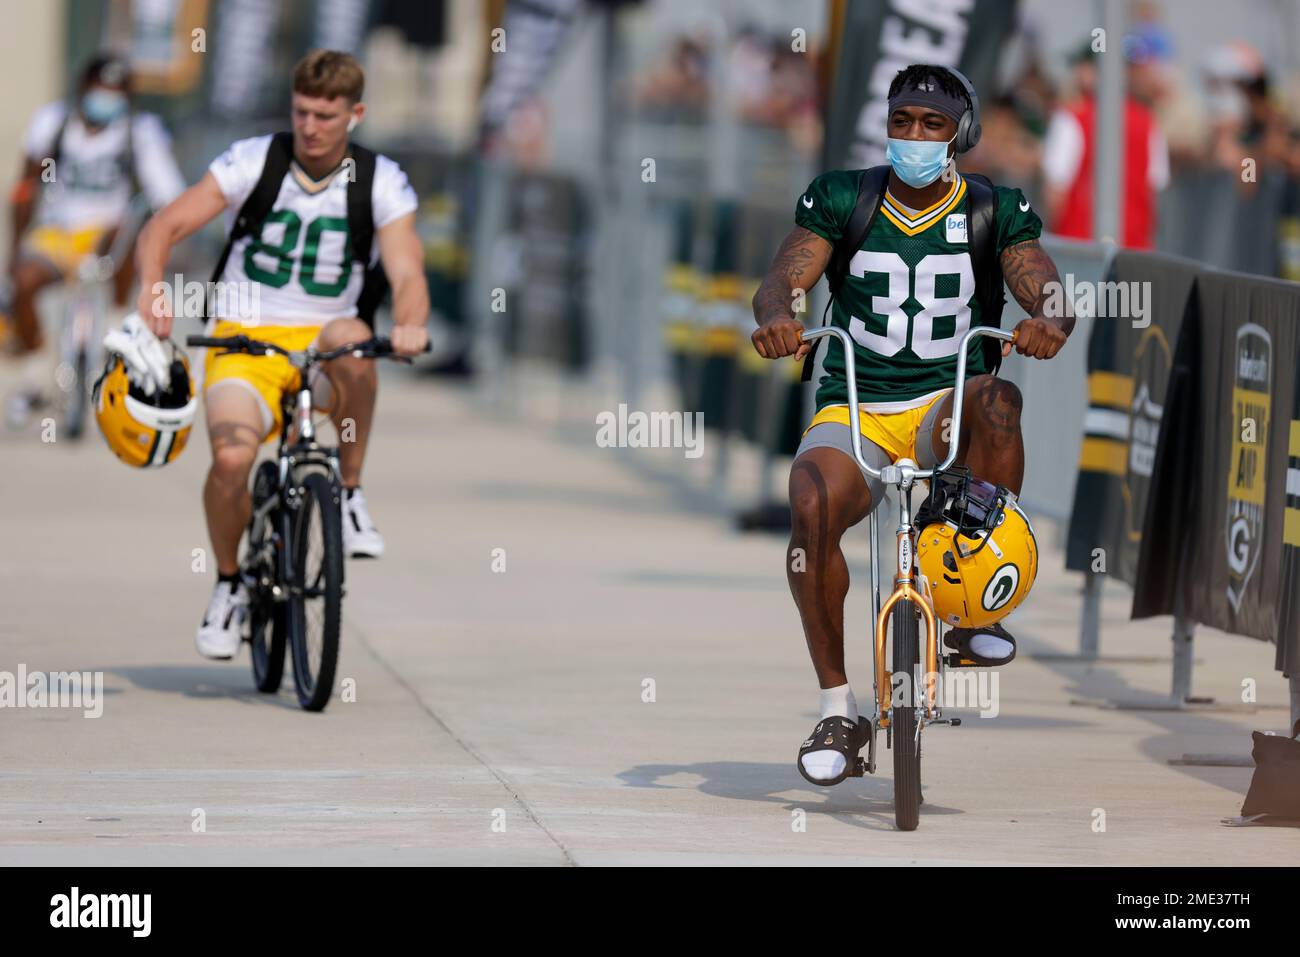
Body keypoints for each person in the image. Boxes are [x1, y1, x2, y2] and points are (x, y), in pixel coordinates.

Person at [750, 64, 1074, 786]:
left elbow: (1038, 277)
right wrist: (777, 316)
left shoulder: (993, 206)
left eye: (932, 124)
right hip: (856, 403)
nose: (915, 136)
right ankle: (838, 706)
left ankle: (970, 609)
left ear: (961, 132)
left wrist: (1050, 314)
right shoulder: (844, 195)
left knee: (997, 400)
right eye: (903, 122)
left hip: (943, 407)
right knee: (809, 504)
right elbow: (785, 277)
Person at [134, 50, 430, 659]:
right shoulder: (253, 161)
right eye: (302, 112)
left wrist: (411, 324)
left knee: (353, 338)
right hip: (244, 337)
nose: (312, 126)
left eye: (326, 114)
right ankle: (228, 585)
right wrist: (152, 286)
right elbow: (163, 225)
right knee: (232, 460)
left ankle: (348, 494)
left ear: (356, 113)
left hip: (321, 344)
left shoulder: (379, 180)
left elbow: (407, 268)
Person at [4, 54, 184, 415]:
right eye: (100, 89)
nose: (106, 98)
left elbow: (168, 194)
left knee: (129, 228)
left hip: (108, 233)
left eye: (115, 91)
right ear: (84, 88)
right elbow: (25, 187)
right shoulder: (53, 123)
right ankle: (35, 376)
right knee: (22, 283)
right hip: (59, 231)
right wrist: (13, 252)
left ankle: (117, 321)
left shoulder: (140, 131)